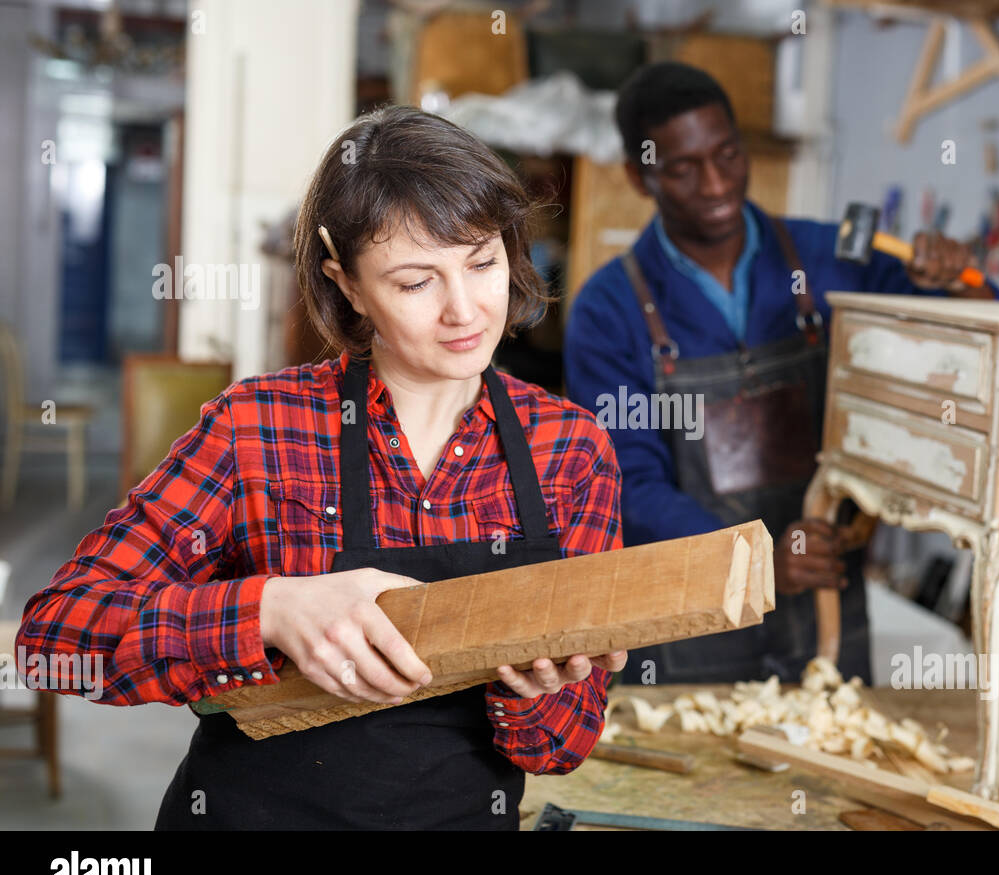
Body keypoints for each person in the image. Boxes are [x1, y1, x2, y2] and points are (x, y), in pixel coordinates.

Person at [19, 106, 626, 830]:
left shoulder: (570, 449)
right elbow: (54, 637)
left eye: (483, 262)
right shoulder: (259, 428)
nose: (465, 310)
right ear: (348, 285)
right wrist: (271, 608)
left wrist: (536, 694)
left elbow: (563, 745)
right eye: (414, 283)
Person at [564, 62, 999, 686]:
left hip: (827, 606)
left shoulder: (833, 259)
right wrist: (757, 559)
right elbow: (626, 486)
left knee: (833, 759)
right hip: (694, 622)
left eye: (727, 155)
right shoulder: (609, 309)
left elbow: (992, 334)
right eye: (685, 169)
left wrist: (960, 279)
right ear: (641, 177)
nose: (717, 184)